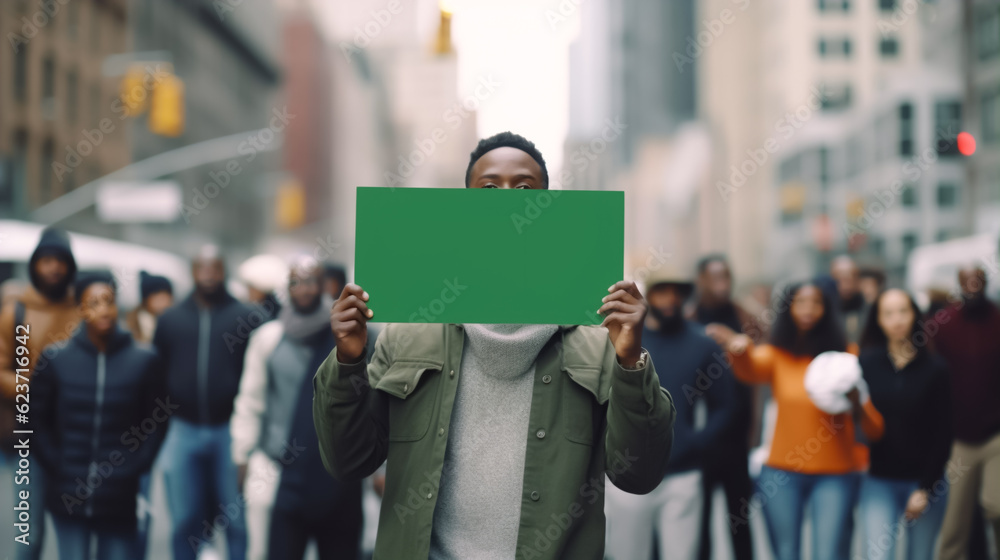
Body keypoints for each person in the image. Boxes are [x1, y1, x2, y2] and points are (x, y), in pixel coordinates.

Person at [313, 132, 677, 560]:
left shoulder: (599, 344)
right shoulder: (407, 334)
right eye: (488, 188)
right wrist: (348, 359)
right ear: (463, 207)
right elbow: (348, 461)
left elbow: (638, 474)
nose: (506, 199)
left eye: (524, 188)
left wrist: (631, 361)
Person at [706, 281, 884, 560]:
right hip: (781, 472)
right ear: (788, 309)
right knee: (786, 553)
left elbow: (874, 427)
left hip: (835, 473)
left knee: (828, 554)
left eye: (816, 302)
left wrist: (854, 400)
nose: (808, 309)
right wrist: (737, 348)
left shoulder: (845, 357)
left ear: (827, 310)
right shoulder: (777, 355)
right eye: (800, 302)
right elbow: (749, 369)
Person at [231, 256, 363, 559]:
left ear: (324, 285)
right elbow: (251, 400)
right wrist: (242, 454)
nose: (304, 289)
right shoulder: (269, 338)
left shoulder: (347, 337)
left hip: (336, 474)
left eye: (311, 281)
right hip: (279, 470)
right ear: (285, 288)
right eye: (295, 282)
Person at [31, 272, 166, 560]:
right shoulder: (56, 359)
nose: (102, 309)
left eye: (109, 301)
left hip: (119, 495)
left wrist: (137, 464)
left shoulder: (143, 360)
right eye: (93, 303)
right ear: (81, 309)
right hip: (67, 491)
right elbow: (35, 421)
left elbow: (156, 419)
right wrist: (57, 463)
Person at [605, 267, 735, 560]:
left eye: (678, 292)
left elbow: (725, 405)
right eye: (663, 291)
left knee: (681, 555)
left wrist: (695, 443)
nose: (670, 299)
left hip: (683, 473)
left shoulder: (703, 344)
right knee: (626, 554)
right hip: (627, 469)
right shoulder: (624, 339)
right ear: (649, 295)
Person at [153, 245, 256, 560]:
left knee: (236, 520)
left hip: (230, 431)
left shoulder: (245, 316)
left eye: (215, 267)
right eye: (203, 267)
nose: (209, 274)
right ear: (193, 271)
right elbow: (157, 372)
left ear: (225, 271)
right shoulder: (171, 318)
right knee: (184, 517)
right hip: (183, 429)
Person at [0, 226, 80, 560]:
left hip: (74, 439)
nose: (54, 268)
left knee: (73, 538)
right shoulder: (16, 313)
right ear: (35, 264)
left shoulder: (82, 311)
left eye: (60, 260)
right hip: (27, 440)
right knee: (27, 537)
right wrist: (33, 391)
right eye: (46, 260)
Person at [857, 289, 951, 560]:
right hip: (879, 480)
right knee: (878, 554)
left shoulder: (935, 368)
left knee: (919, 556)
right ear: (878, 320)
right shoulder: (865, 364)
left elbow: (943, 431)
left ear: (915, 315)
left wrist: (926, 487)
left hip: (924, 482)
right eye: (888, 313)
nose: (897, 319)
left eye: (903, 311)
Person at [687, 254, 759, 560]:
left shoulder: (745, 318)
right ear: (700, 280)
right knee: (697, 522)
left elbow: (759, 370)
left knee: (740, 520)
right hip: (699, 439)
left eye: (726, 277)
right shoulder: (688, 322)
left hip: (736, 438)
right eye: (715, 277)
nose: (722, 284)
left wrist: (737, 342)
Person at [933, 266, 1000, 559]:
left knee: (996, 505)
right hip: (959, 437)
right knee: (954, 523)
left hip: (996, 436)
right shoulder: (943, 323)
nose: (972, 286)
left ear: (985, 283)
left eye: (978, 280)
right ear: (958, 285)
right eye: (966, 281)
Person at [830, 255, 870, 344]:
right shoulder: (825, 311)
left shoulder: (870, 309)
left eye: (850, 278)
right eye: (840, 279)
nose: (845, 285)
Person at [125, 271, 174, 344]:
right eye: (158, 295)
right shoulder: (132, 326)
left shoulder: (173, 323)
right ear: (146, 299)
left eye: (167, 296)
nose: (164, 301)